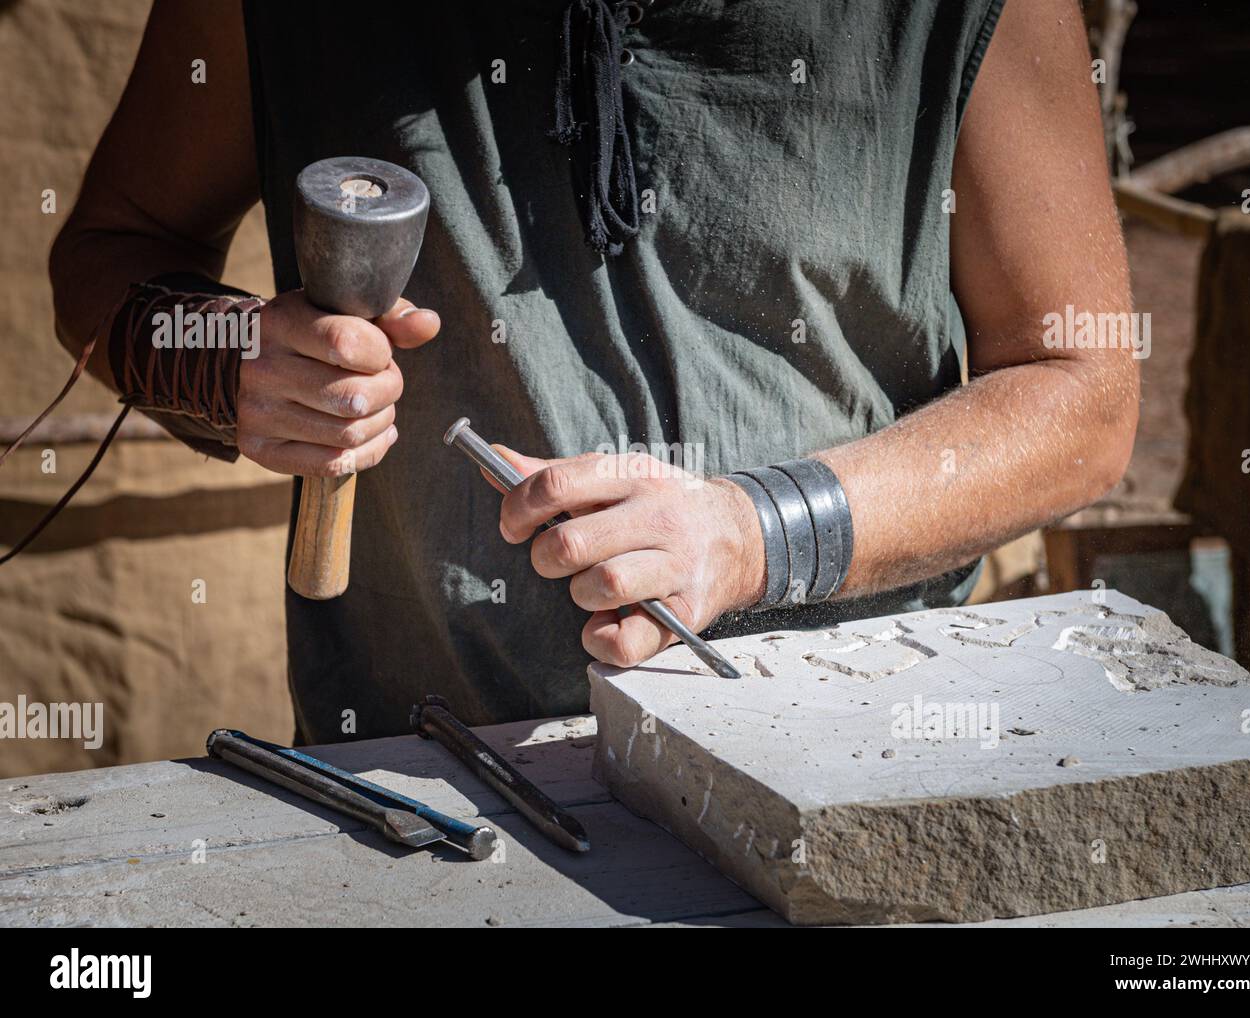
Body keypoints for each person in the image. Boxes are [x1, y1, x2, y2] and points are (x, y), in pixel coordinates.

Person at [47, 0, 1137, 741]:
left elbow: (1082, 393)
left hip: (868, 759)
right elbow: (110, 253)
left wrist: (755, 533)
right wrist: (223, 361)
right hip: (430, 780)